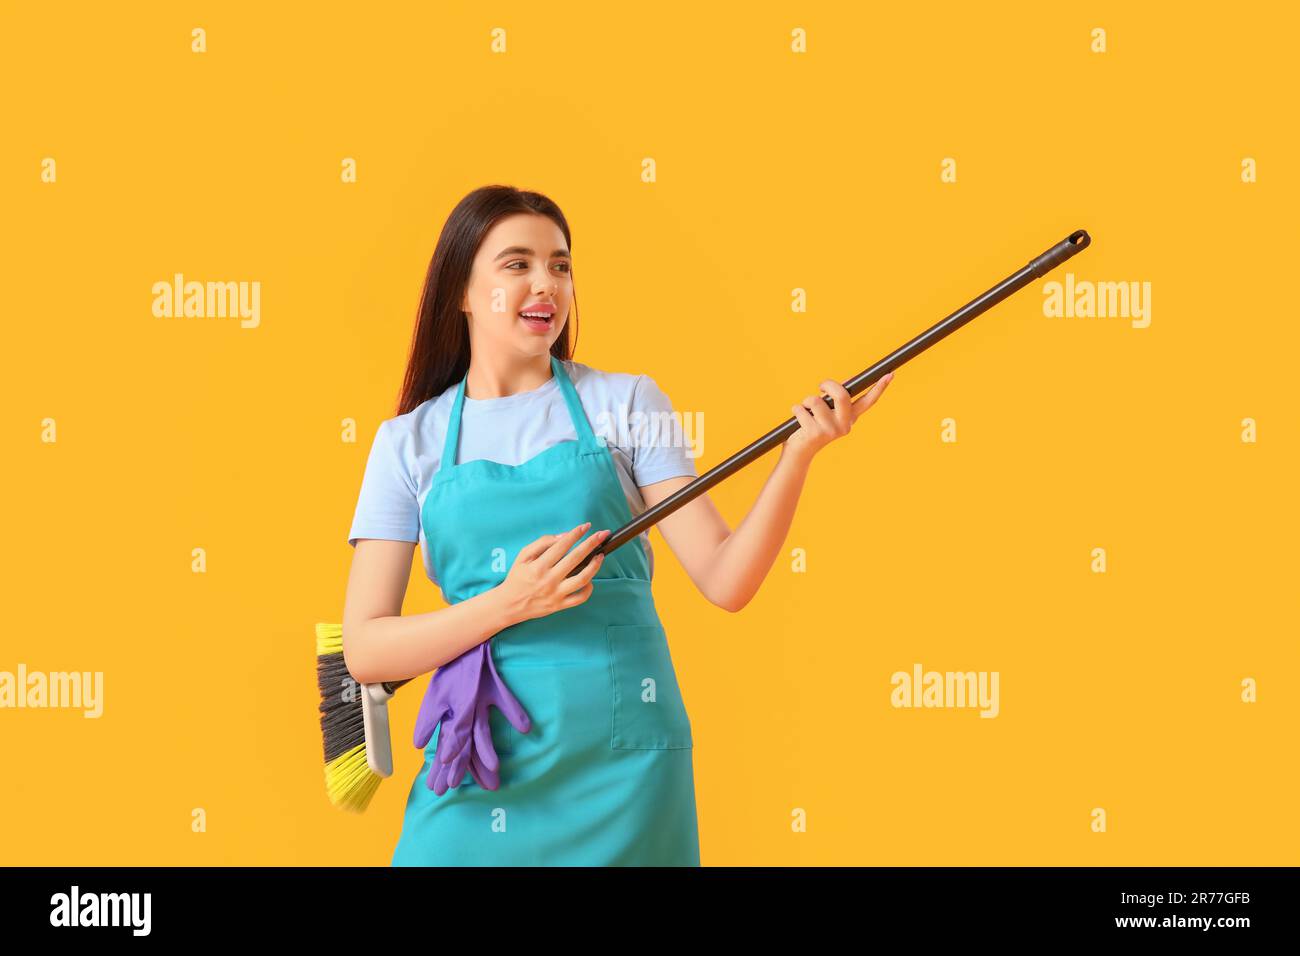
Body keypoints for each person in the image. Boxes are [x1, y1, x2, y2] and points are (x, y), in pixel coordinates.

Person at [342, 185, 895, 866]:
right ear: (461, 289)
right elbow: (364, 649)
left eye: (561, 265)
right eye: (517, 265)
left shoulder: (626, 403)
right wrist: (508, 603)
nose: (546, 283)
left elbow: (726, 579)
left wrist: (798, 456)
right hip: (480, 760)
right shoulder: (408, 442)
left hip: (624, 767)